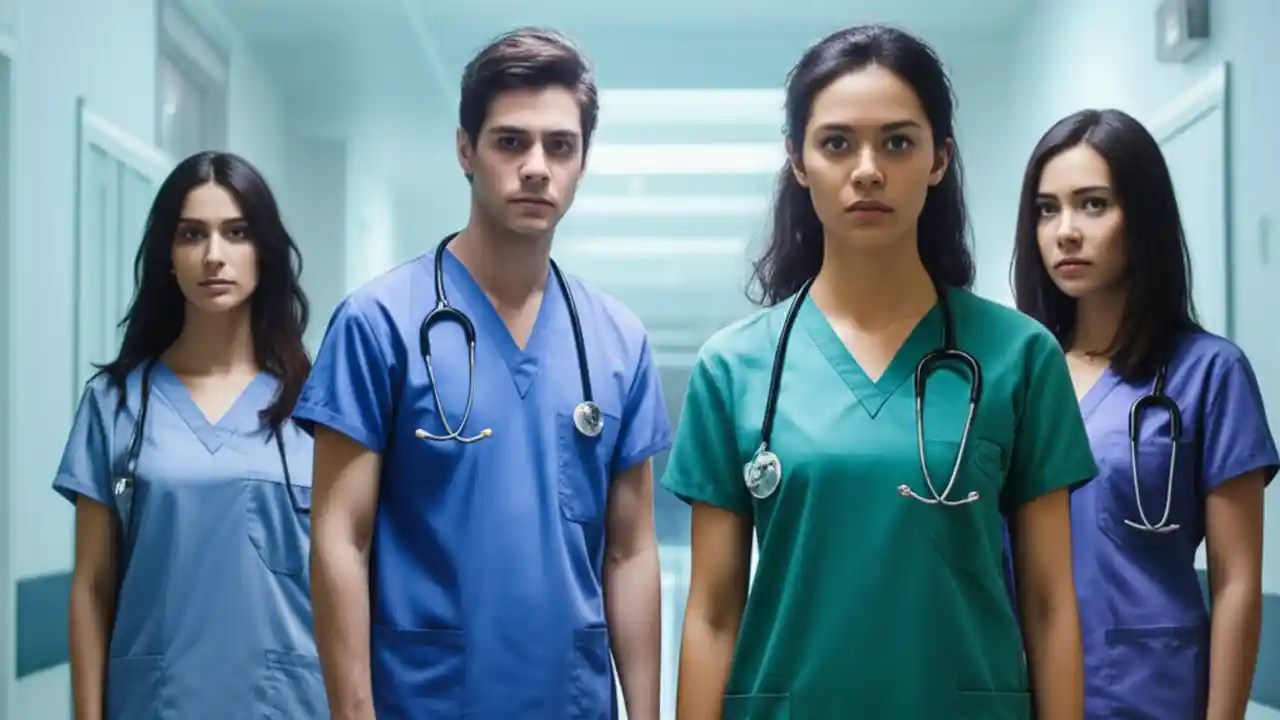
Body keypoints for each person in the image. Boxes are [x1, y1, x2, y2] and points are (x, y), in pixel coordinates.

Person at [661, 25, 1097, 719]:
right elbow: (712, 613)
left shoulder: (1020, 357)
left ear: (938, 159)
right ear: (798, 161)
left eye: (897, 142)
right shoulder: (735, 368)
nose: (868, 169)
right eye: (837, 143)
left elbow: (1049, 605)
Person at [294, 27, 671, 719]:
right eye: (510, 141)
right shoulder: (380, 323)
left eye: (560, 145)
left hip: (570, 699)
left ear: (583, 161)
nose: (536, 167)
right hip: (426, 698)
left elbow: (630, 553)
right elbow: (339, 539)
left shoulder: (616, 341)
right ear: (465, 149)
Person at [1012, 108, 1276, 720]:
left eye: (1093, 204)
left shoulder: (1210, 373)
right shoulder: (1018, 372)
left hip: (1151, 694)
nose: (1065, 231)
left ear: (1145, 217)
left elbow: (1237, 583)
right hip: (1018, 689)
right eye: (1047, 209)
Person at [55, 151, 324, 719]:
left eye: (237, 233)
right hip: (158, 704)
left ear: (264, 253)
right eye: (191, 234)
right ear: (168, 258)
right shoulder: (116, 404)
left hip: (291, 704)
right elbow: (92, 588)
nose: (214, 256)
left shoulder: (319, 408)